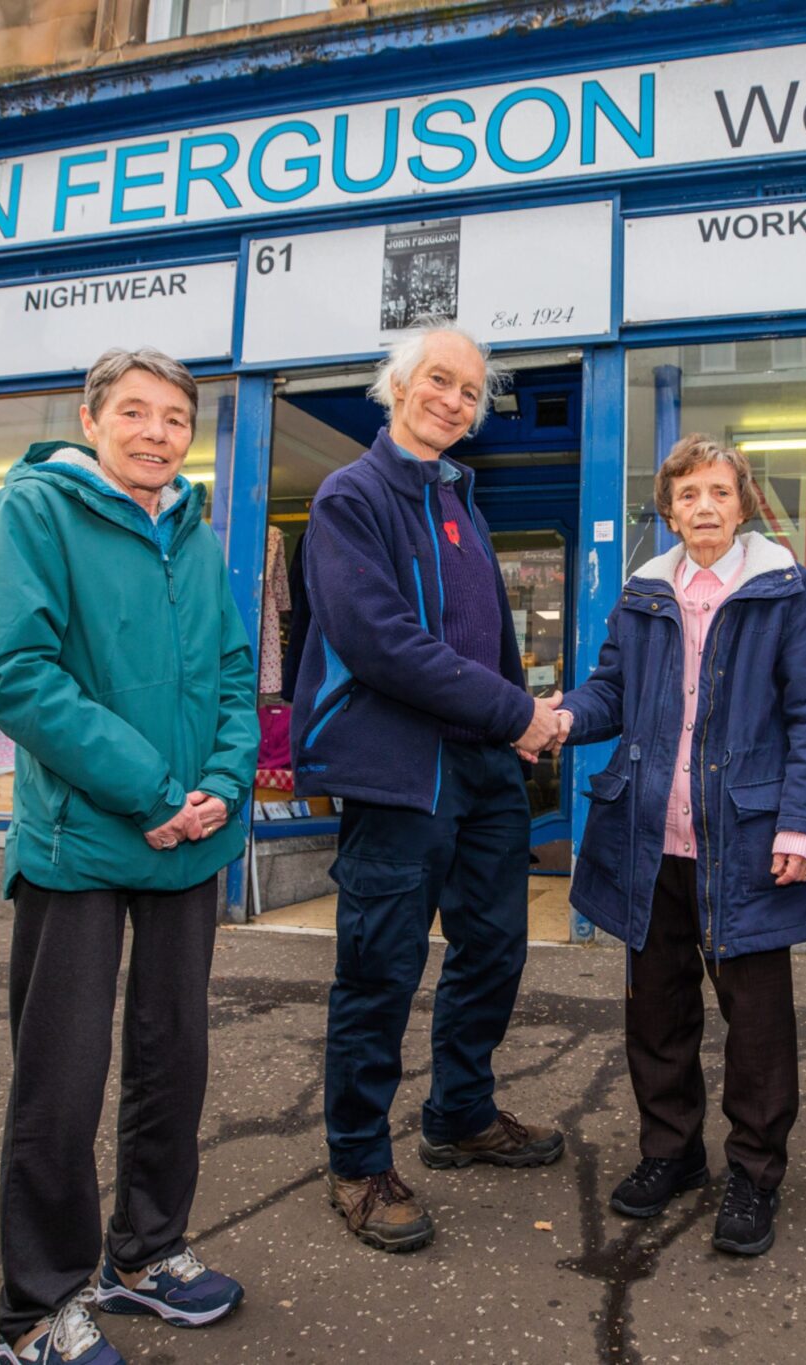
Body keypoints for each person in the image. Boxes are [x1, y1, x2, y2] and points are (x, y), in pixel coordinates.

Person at [0, 348, 256, 1365]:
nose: (156, 433)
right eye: (134, 412)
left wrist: (221, 784)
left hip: (189, 843)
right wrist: (153, 791)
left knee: (173, 1061)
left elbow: (234, 672)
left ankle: (146, 1253)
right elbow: (15, 673)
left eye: (175, 418)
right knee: (61, 1080)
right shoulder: (33, 510)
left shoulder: (195, 531)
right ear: (91, 421)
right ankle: (38, 1310)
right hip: (81, 842)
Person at [292, 323, 567, 1254]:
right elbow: (380, 642)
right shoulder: (352, 496)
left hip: (484, 768)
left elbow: (487, 641)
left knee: (494, 949)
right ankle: (358, 1161)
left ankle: (460, 1113)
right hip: (399, 773)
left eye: (470, 391)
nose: (454, 400)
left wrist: (515, 727)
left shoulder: (460, 499)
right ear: (399, 385)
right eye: (439, 380)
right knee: (380, 969)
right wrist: (516, 710)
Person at [554, 435, 806, 1257]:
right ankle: (671, 1151)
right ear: (669, 510)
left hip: (747, 840)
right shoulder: (644, 594)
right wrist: (567, 716)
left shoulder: (790, 594)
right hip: (652, 837)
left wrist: (803, 824)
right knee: (657, 1009)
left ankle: (754, 1171)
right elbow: (612, 688)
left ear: (743, 503)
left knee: (757, 1022)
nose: (705, 507)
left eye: (719, 491)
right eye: (688, 495)